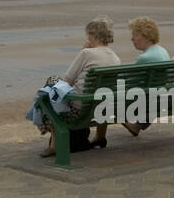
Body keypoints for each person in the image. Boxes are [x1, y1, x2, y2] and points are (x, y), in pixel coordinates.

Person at [39, 17, 121, 157]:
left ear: (94, 35)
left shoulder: (86, 53)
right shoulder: (115, 58)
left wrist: (83, 52)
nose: (87, 38)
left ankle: (54, 145)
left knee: (51, 84)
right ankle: (99, 137)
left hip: (79, 108)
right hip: (100, 109)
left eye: (88, 35)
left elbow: (66, 82)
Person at [122, 17, 167, 136]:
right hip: (161, 98)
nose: (132, 39)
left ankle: (99, 135)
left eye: (135, 35)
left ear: (146, 36)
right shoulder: (162, 51)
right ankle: (137, 125)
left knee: (106, 94)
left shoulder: (145, 58)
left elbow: (128, 82)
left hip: (147, 101)